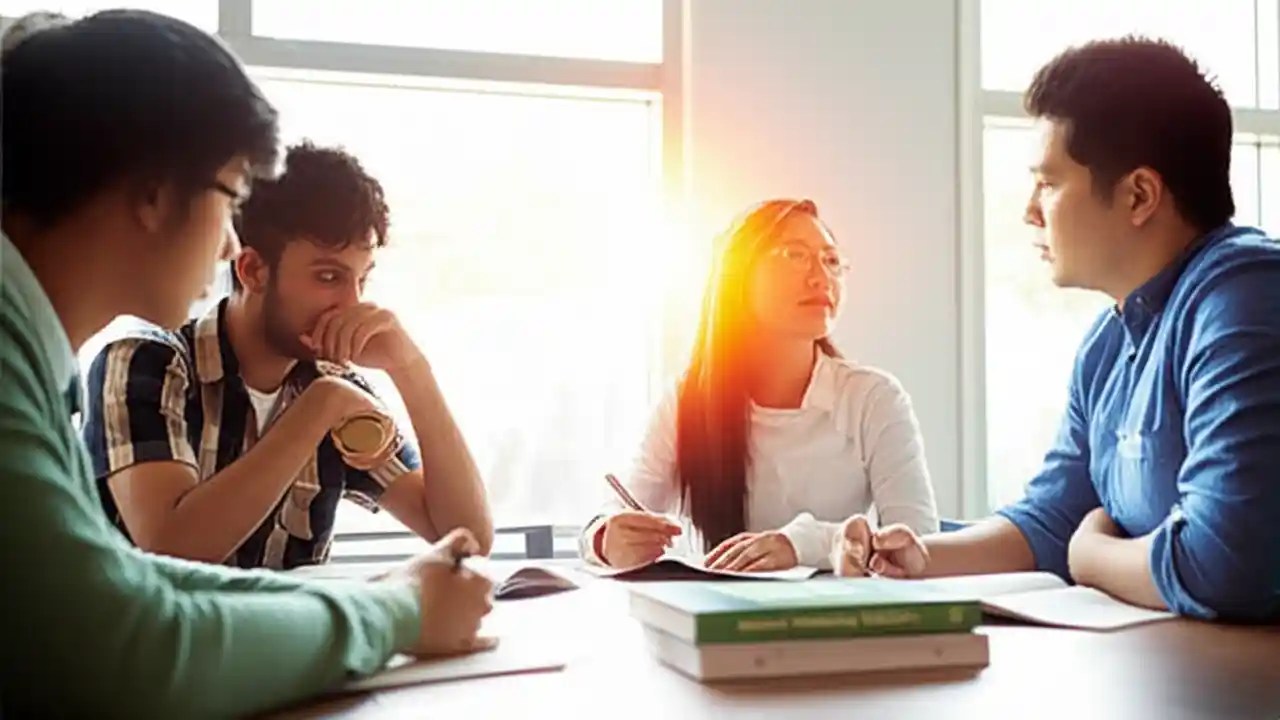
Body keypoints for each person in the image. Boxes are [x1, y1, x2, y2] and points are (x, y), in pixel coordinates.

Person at [0, 11, 492, 716]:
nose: (229, 243)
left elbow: (127, 588)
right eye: (230, 197)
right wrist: (394, 614)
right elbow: (129, 630)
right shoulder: (106, 358)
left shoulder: (32, 354)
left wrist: (411, 369)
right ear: (153, 194)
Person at [835, 37, 1280, 622]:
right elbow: (1051, 518)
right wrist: (918, 560)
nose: (1029, 210)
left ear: (1139, 195)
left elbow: (1223, 564)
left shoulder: (1246, 298)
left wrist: (1091, 554)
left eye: (1047, 183)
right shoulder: (1109, 341)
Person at [82, 141, 493, 569]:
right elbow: (171, 549)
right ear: (253, 270)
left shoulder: (336, 386)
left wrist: (411, 369)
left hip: (285, 637)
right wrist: (318, 408)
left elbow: (467, 540)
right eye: (329, 276)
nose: (352, 303)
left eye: (362, 279)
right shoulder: (143, 363)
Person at [580, 199, 939, 572]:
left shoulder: (872, 398)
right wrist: (605, 539)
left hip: (836, 621)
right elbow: (616, 511)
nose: (821, 277)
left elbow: (919, 544)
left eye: (832, 260)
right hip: (711, 620)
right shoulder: (688, 401)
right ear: (739, 275)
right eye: (795, 255)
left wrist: (806, 543)